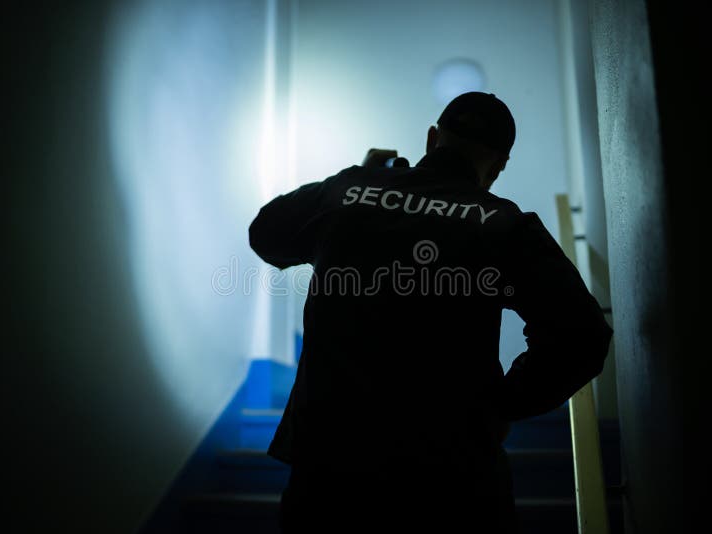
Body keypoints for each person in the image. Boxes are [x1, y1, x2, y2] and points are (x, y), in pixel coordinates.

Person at [248, 92, 613, 533]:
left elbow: (266, 233)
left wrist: (363, 180)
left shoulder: (349, 191)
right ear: (498, 166)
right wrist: (501, 405)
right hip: (453, 476)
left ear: (431, 139)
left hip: (331, 470)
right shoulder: (501, 222)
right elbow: (584, 334)